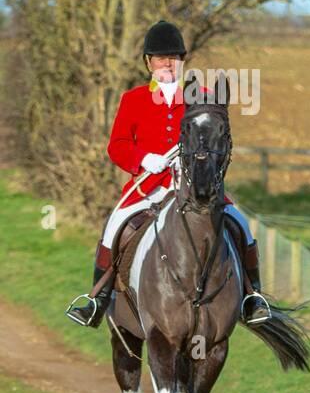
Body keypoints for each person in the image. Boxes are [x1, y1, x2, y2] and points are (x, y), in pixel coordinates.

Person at [65, 20, 270, 328]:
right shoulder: (133, 99)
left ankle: (251, 298)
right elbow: (117, 145)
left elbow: (215, 135)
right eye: (160, 58)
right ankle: (97, 299)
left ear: (181, 60)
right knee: (113, 228)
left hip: (194, 185)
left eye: (172, 57)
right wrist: (144, 159)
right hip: (149, 187)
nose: (167, 63)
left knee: (243, 227)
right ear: (149, 62)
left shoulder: (200, 95)